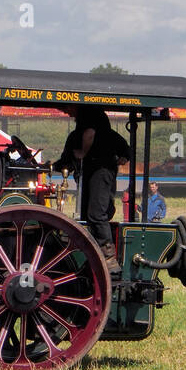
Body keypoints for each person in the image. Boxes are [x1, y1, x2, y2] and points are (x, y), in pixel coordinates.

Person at [56, 107, 130, 269]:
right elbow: (65, 161)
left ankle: (108, 254)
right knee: (87, 214)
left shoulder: (88, 115)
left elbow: (89, 133)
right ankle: (89, 251)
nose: (66, 112)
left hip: (101, 170)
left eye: (66, 109)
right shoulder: (76, 135)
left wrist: (83, 153)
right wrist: (49, 167)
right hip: (93, 172)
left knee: (96, 213)